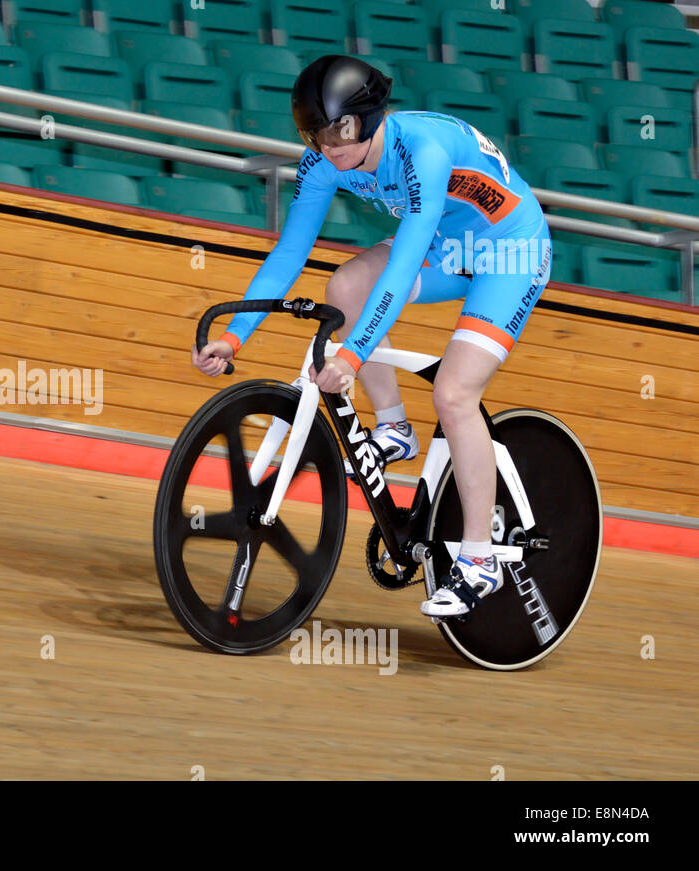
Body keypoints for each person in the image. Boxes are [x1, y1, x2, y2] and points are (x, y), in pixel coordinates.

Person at [190, 55, 552, 619]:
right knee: (345, 286)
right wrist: (236, 338)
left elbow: (402, 269)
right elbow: (290, 252)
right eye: (315, 132)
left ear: (371, 117)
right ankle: (394, 426)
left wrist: (354, 356)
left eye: (341, 130)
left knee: (455, 395)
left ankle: (480, 558)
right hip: (446, 246)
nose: (329, 145)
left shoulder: (422, 153)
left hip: (508, 250)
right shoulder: (323, 161)